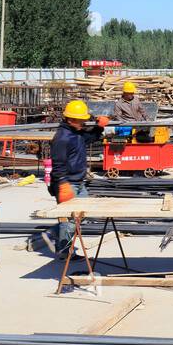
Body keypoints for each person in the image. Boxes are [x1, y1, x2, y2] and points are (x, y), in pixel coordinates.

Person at [47, 99, 105, 254]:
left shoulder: (76, 133)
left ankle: (55, 232)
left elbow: (90, 138)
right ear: (70, 119)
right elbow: (58, 164)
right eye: (81, 121)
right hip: (67, 183)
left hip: (79, 182)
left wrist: (99, 128)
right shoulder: (62, 138)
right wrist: (62, 184)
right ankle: (65, 252)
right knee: (71, 219)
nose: (83, 123)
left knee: (82, 214)